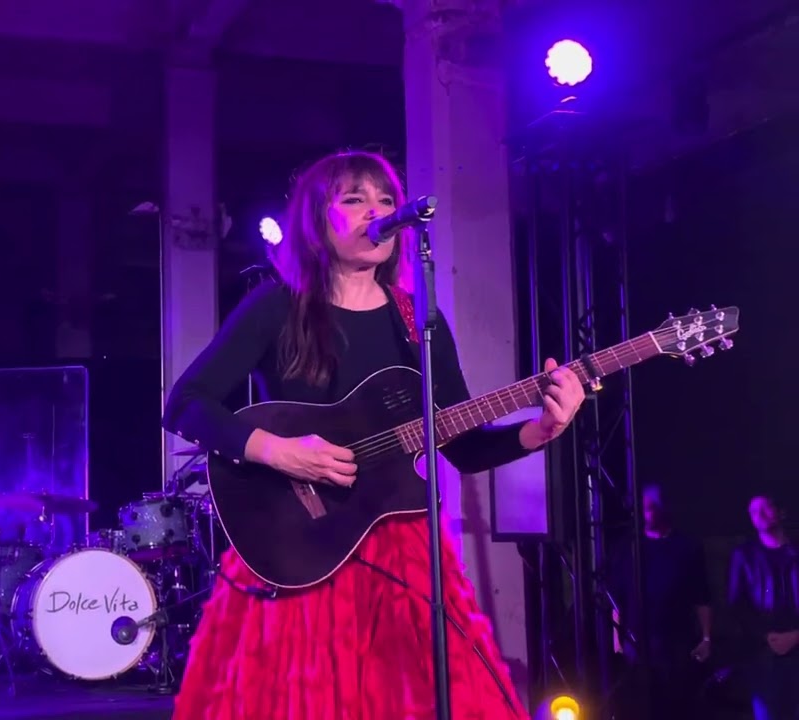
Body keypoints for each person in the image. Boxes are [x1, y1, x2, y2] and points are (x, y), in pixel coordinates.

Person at [162, 150, 586, 719]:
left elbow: (463, 444)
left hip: (399, 546)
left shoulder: (418, 321)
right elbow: (186, 402)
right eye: (354, 200)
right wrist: (279, 451)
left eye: (386, 201)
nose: (377, 213)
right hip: (295, 547)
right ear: (317, 219)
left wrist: (541, 427)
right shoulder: (276, 305)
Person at [610, 484, 713, 718]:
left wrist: (706, 638)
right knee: (638, 705)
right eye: (644, 507)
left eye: (652, 507)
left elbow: (702, 596)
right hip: (636, 642)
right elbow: (617, 599)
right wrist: (616, 641)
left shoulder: (687, 547)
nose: (648, 512)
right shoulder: (627, 548)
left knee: (673, 705)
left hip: (675, 643)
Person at [728, 494, 799, 719]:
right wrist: (766, 635)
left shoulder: (796, 552)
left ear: (780, 511)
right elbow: (737, 604)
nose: (758, 514)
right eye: (752, 511)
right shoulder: (744, 555)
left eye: (765, 508)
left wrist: (796, 635)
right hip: (763, 654)